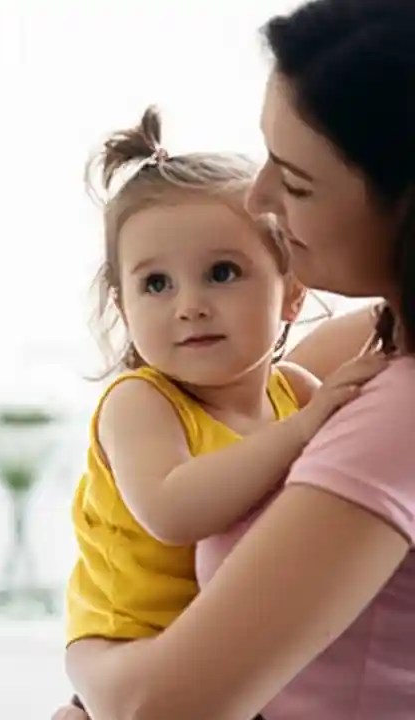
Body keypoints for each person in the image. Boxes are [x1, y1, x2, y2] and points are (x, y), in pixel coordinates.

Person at [62, 1, 415, 717]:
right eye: (154, 283)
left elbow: (157, 708)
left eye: (296, 180)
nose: (261, 201)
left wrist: (98, 683)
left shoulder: (375, 406)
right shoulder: (344, 361)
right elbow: (170, 508)